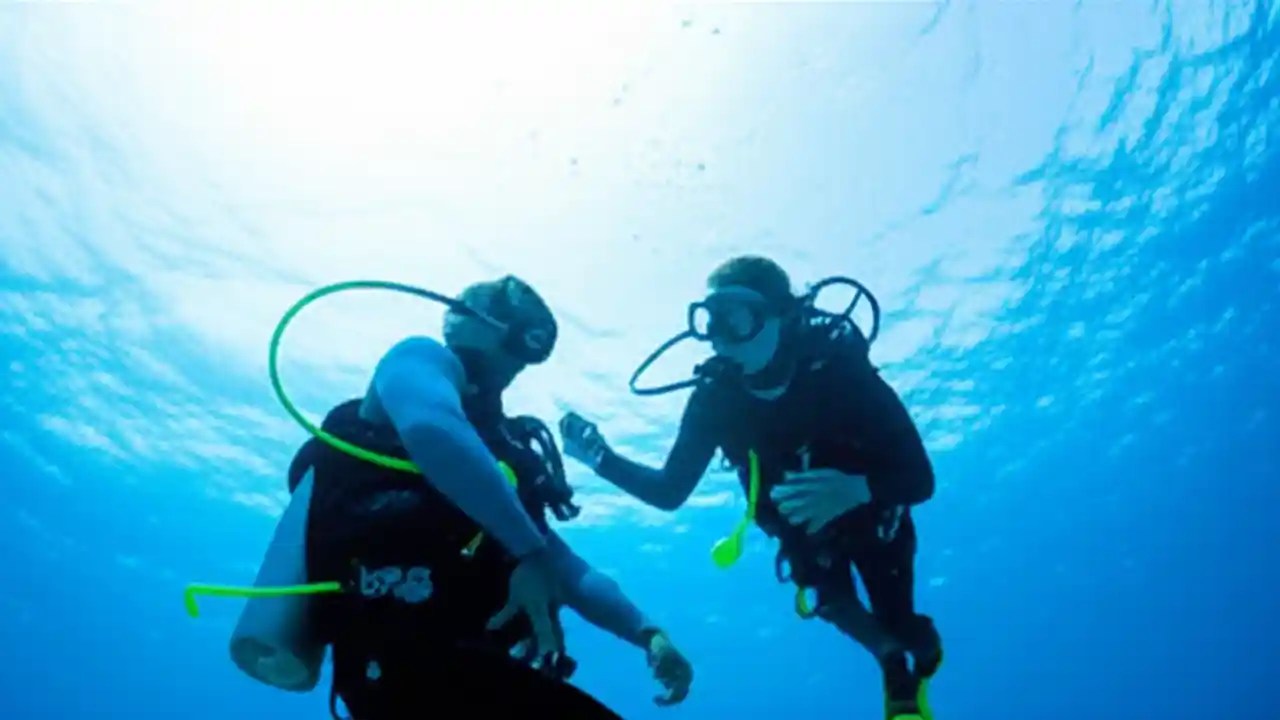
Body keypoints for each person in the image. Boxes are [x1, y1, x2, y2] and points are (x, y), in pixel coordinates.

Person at [228, 275, 693, 719]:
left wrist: (647, 632)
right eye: (518, 326)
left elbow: (563, 566)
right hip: (396, 661)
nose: (521, 354)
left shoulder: (499, 455)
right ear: (473, 321)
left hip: (471, 667)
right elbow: (431, 430)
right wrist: (527, 551)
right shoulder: (419, 359)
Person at [559, 256, 942, 720]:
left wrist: (858, 489)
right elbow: (669, 491)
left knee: (904, 625)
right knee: (830, 598)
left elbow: (919, 479)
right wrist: (599, 457)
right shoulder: (715, 399)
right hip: (803, 535)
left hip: (877, 518)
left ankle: (908, 648)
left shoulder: (841, 372)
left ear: (781, 313)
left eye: (735, 317)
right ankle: (889, 660)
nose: (720, 336)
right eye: (710, 319)